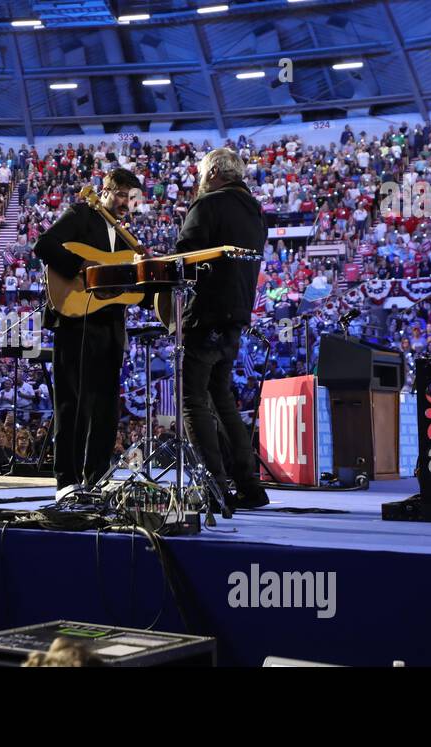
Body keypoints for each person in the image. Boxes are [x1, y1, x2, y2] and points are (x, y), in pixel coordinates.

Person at [33, 167, 141, 499]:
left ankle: (97, 475)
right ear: (104, 191)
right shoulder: (83, 213)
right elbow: (44, 245)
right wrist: (81, 268)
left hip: (110, 326)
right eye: (120, 194)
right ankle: (66, 479)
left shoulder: (123, 235)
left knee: (107, 406)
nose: (125, 203)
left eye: (131, 197)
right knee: (72, 403)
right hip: (76, 321)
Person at [174, 148, 269, 509]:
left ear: (213, 172)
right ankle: (250, 487)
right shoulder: (255, 210)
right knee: (222, 399)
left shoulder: (208, 204)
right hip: (236, 314)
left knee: (192, 400)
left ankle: (212, 488)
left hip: (205, 315)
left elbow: (185, 258)